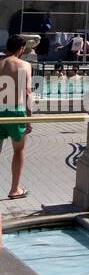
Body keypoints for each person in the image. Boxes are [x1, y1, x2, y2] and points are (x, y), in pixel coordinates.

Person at [0, 34, 33, 198]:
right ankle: (15, 189)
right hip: (16, 111)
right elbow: (27, 93)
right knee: (18, 150)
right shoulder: (24, 65)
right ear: (21, 48)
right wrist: (29, 117)